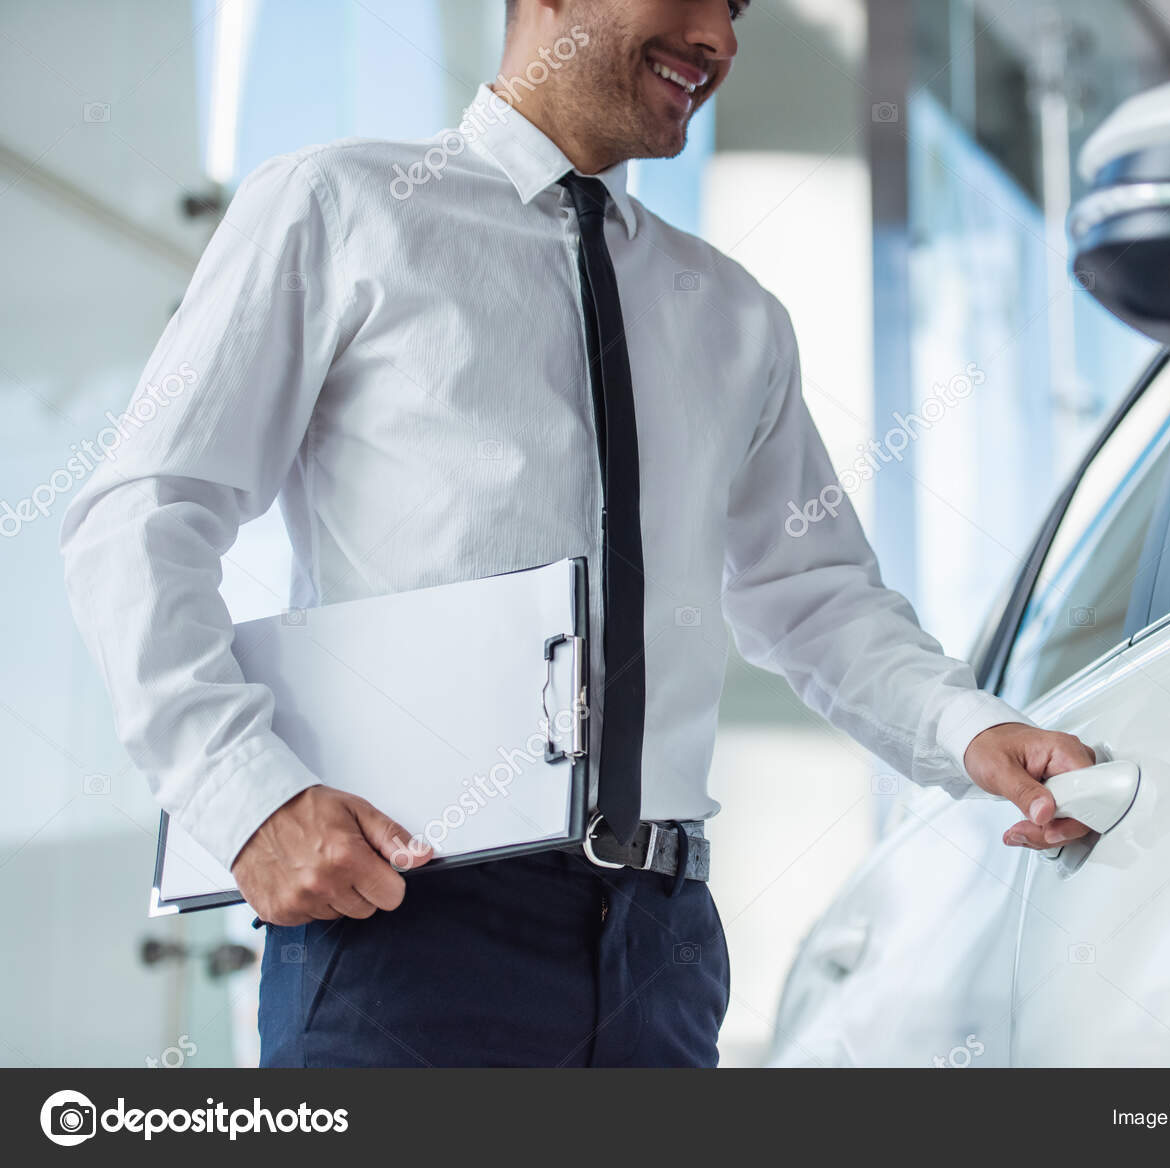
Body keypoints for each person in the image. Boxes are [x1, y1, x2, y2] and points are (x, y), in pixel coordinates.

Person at [60, 0, 1094, 1067]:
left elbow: (817, 597)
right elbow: (139, 515)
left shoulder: (735, 315)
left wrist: (969, 730)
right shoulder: (339, 207)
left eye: (737, 9)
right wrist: (246, 798)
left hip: (662, 948)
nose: (722, 40)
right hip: (406, 925)